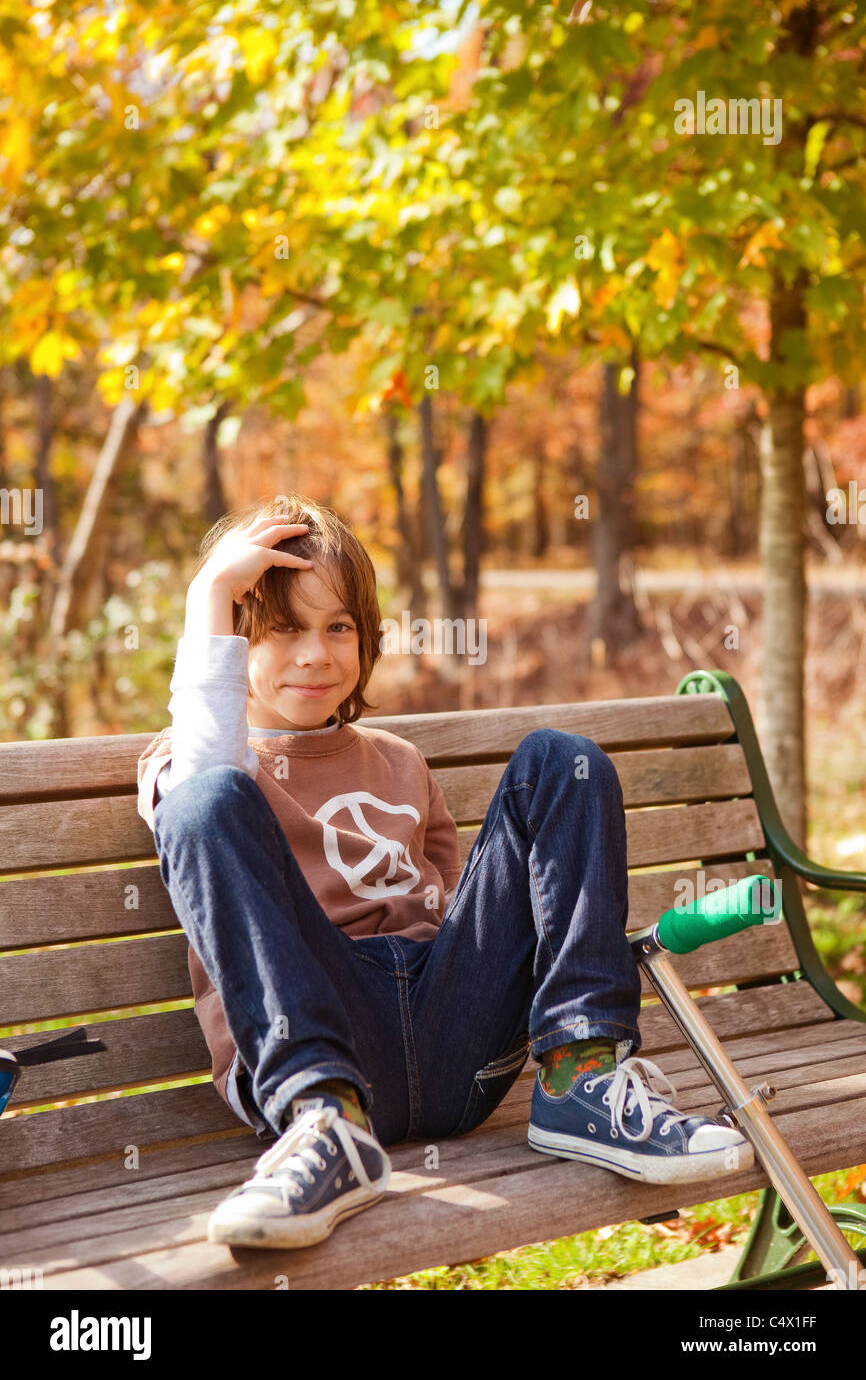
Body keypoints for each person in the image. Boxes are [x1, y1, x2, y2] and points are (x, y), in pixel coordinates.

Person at [137, 492, 751, 1251]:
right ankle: (324, 1122)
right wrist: (210, 595)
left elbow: (457, 913)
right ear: (231, 639)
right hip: (315, 1038)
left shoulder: (398, 760)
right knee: (206, 801)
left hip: (450, 1033)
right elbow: (206, 778)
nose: (315, 654)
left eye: (338, 627)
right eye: (280, 629)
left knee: (566, 760)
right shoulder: (192, 765)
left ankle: (579, 1078)